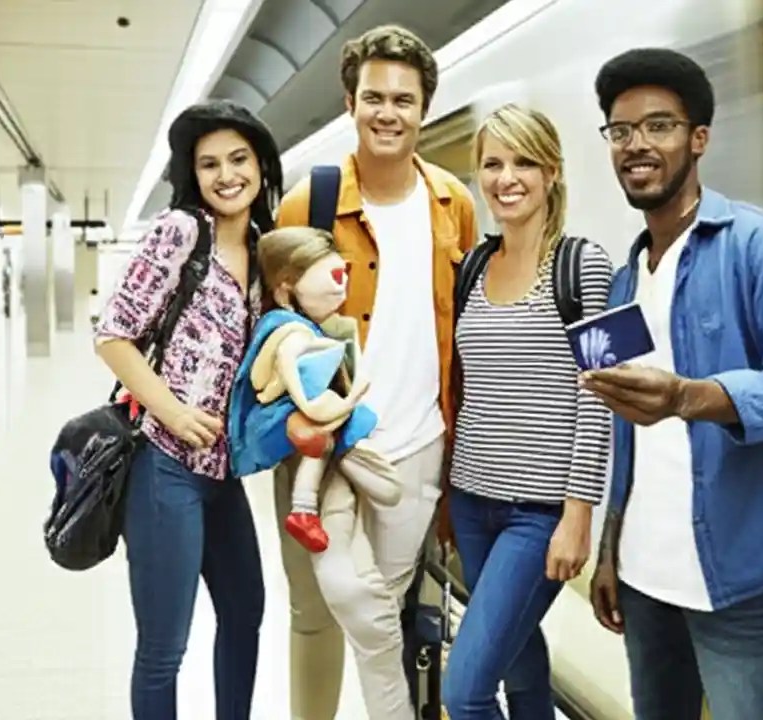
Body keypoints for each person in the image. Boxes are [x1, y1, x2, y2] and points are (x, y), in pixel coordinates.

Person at [580, 48, 763, 720]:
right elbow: (625, 440)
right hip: (642, 577)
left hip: (742, 579)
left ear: (698, 140)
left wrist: (688, 397)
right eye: (620, 130)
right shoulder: (623, 278)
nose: (636, 145)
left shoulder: (760, 243)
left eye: (659, 126)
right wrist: (610, 552)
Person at [270, 23, 478, 720]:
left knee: (383, 599)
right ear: (349, 105)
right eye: (373, 97)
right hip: (330, 449)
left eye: (404, 99)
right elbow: (272, 328)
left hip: (418, 445)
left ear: (424, 109)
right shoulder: (310, 203)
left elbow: (464, 330)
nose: (388, 112)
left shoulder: (454, 203)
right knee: (347, 599)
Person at [92, 99, 282, 720]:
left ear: (260, 165)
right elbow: (113, 334)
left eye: (238, 159)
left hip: (222, 475)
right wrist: (173, 412)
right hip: (164, 467)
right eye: (209, 164)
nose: (226, 175)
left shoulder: (262, 249)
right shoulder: (181, 232)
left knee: (246, 612)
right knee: (164, 647)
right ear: (192, 174)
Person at [441, 104, 614, 719]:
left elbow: (600, 398)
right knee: (520, 663)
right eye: (492, 163)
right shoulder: (473, 268)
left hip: (537, 516)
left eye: (523, 162)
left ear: (552, 173)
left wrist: (577, 516)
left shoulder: (584, 265)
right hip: (470, 499)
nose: (505, 178)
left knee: (463, 693)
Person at [227, 225, 403, 553]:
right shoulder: (293, 332)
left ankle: (305, 507)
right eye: (335, 277)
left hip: (295, 422)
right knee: (380, 483)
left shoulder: (299, 327)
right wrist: (338, 402)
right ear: (286, 286)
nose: (343, 286)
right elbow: (297, 380)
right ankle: (304, 508)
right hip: (293, 421)